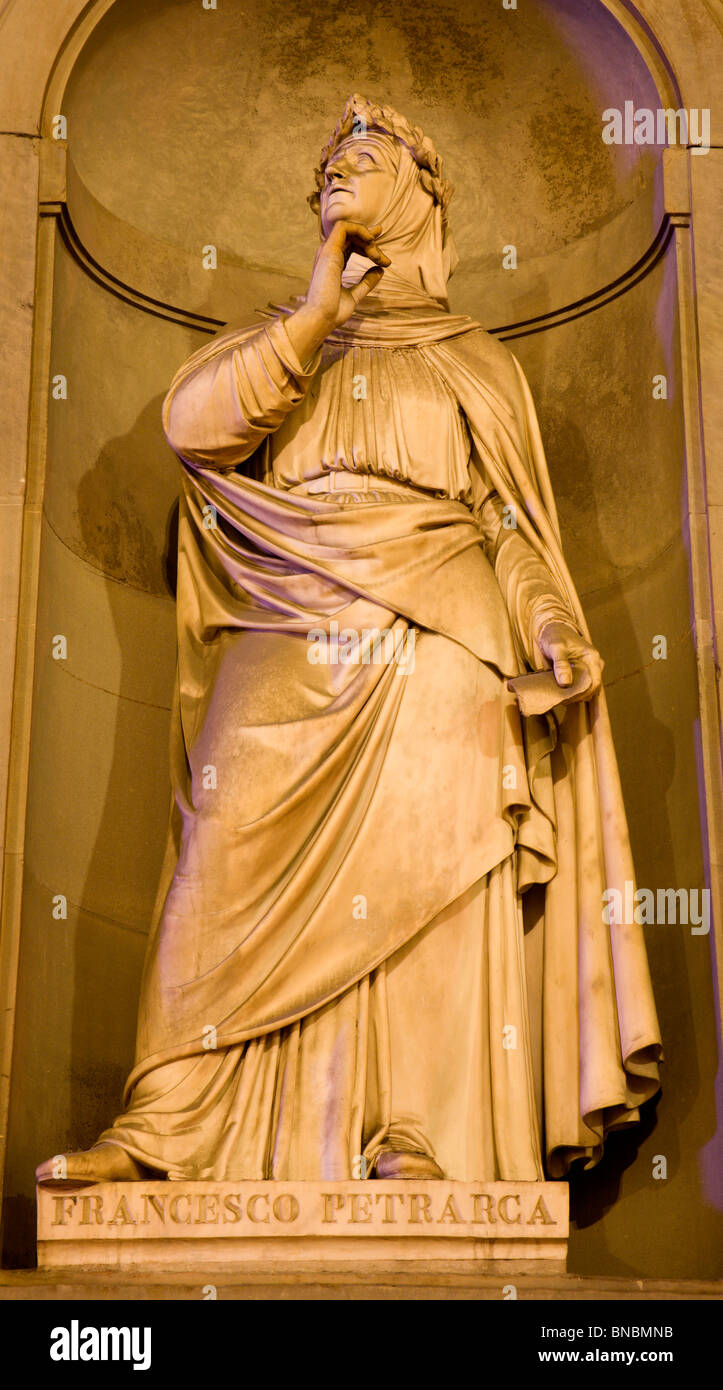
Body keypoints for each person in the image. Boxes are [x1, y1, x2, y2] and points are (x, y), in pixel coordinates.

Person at [37, 94, 661, 1188]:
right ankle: (168, 1126)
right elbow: (195, 430)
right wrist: (315, 314)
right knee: (222, 838)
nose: (336, 174)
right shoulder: (294, 337)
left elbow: (508, 524)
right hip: (285, 612)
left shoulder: (475, 360)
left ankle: (415, 1130)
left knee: (438, 855)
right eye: (326, 167)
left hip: (442, 623)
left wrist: (552, 619)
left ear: (422, 196)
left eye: (363, 158)